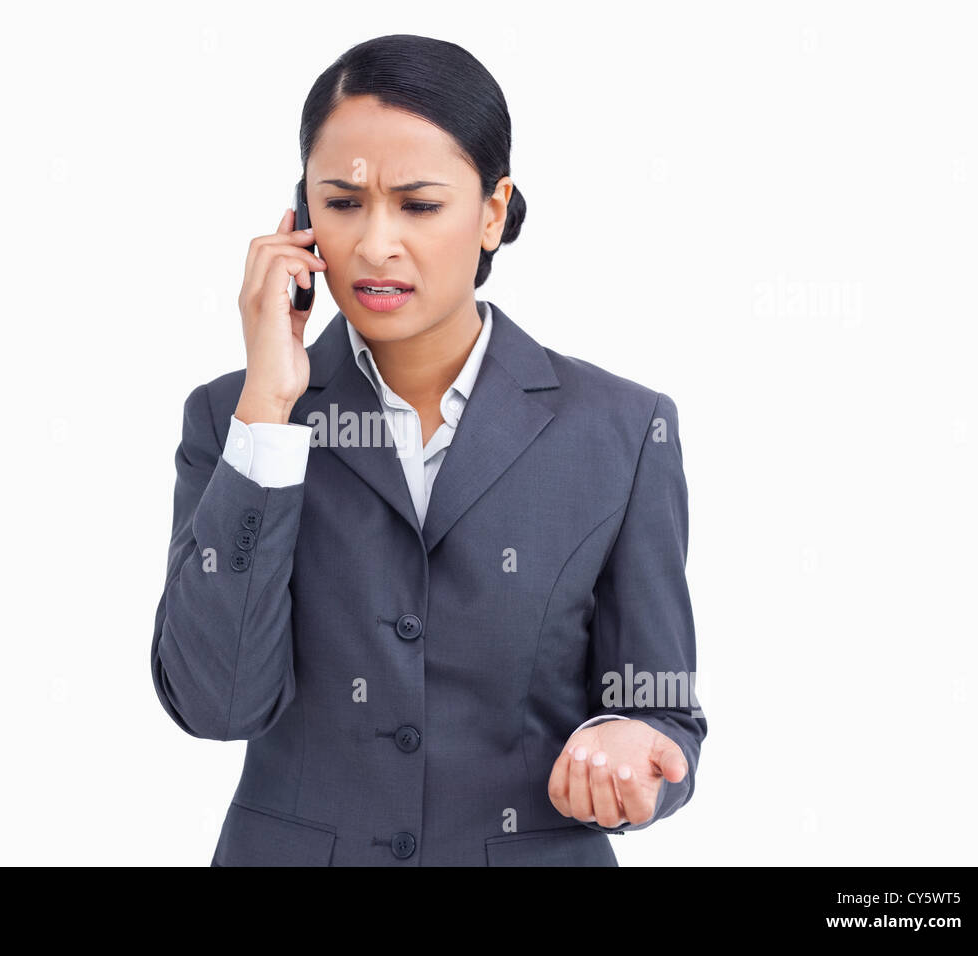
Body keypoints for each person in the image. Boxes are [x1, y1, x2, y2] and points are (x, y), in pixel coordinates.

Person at [151, 33, 705, 866]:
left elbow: (664, 713)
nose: (376, 244)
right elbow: (216, 704)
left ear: (491, 211)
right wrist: (268, 411)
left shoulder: (622, 430)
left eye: (419, 205)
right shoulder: (232, 420)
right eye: (342, 203)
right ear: (299, 220)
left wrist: (632, 744)